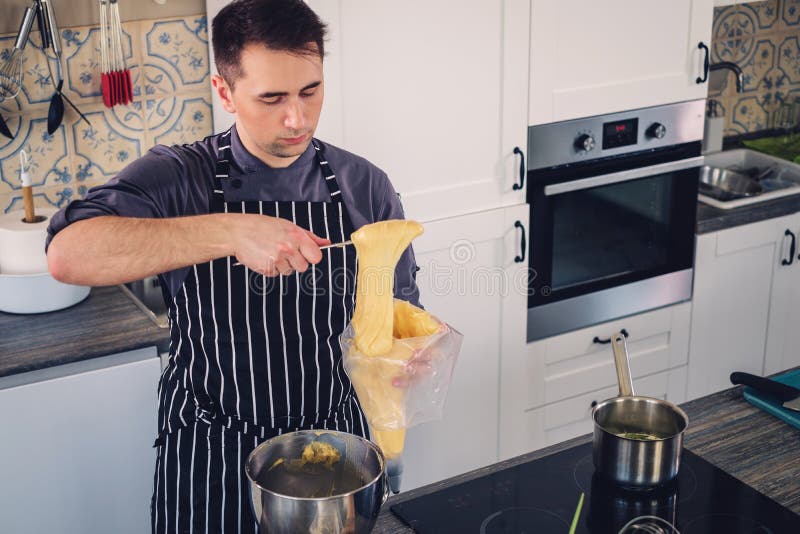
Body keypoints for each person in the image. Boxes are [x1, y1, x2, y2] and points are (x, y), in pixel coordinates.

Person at [45, 0, 420, 531]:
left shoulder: (364, 185)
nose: (297, 118)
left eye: (310, 91)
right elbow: (68, 254)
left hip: (335, 447)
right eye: (271, 98)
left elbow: (403, 317)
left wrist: (411, 357)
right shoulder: (179, 176)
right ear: (225, 92)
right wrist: (229, 230)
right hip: (211, 448)